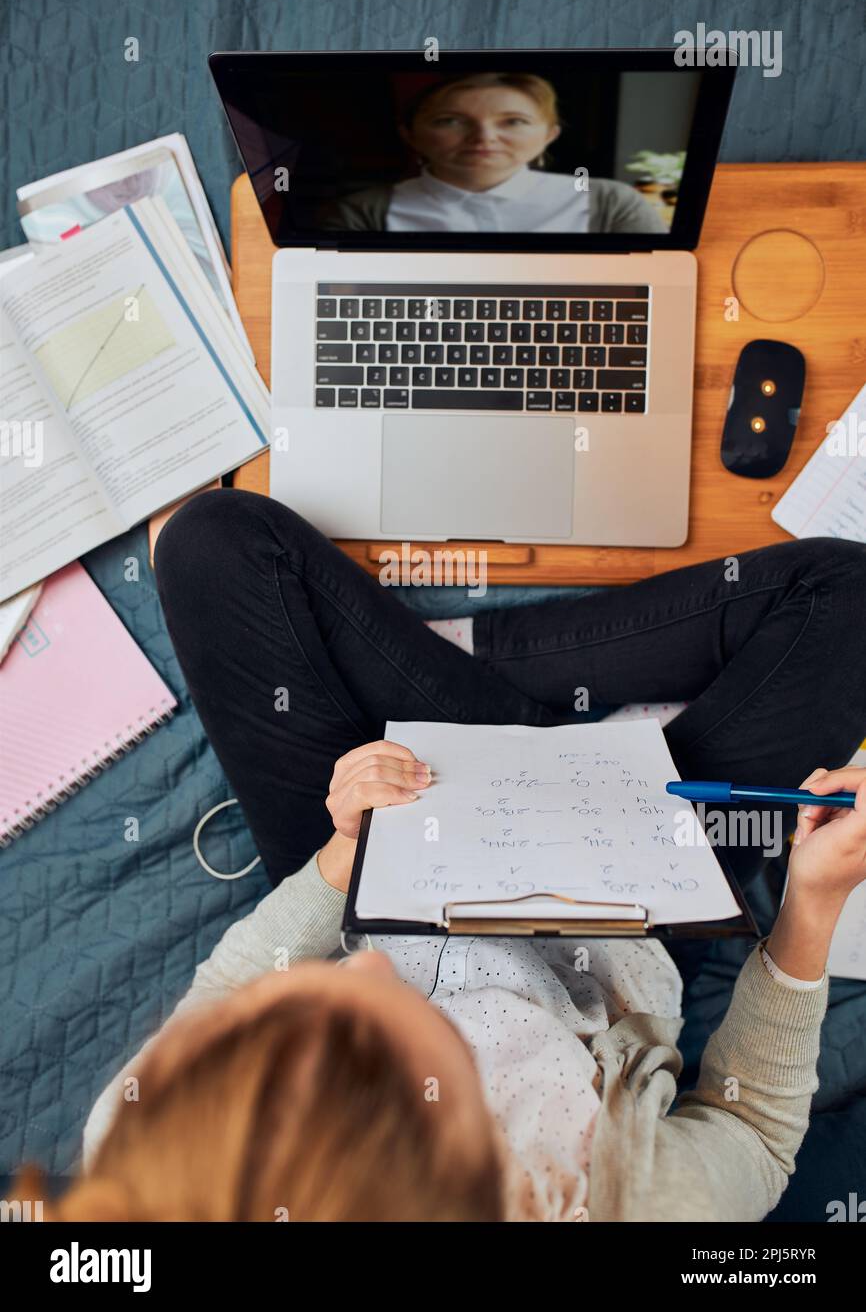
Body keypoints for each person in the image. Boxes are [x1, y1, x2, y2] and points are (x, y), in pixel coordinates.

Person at [22, 490, 866, 1222]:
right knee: (848, 602)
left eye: (314, 1009)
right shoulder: (595, 1195)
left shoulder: (157, 1147)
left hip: (379, 843)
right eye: (405, 1037)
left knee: (210, 545)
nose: (365, 971)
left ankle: (486, 696)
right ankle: (499, 703)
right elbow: (750, 1137)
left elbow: (233, 980)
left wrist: (340, 864)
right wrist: (814, 904)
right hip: (632, 892)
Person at [322, 72, 667, 234]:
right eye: (450, 121)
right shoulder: (362, 213)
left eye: (514, 121)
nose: (483, 137)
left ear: (550, 135)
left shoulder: (611, 202)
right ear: (409, 134)